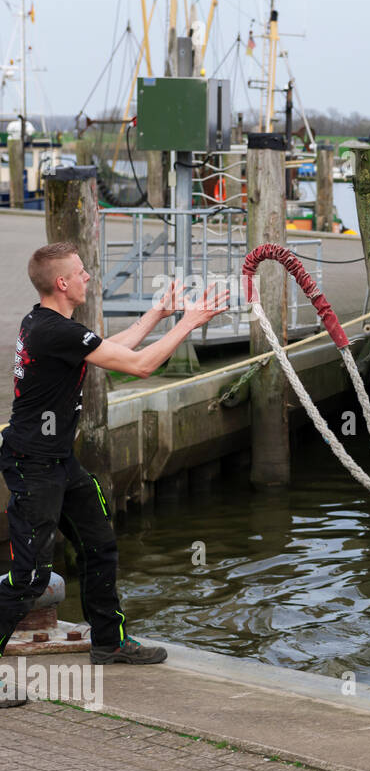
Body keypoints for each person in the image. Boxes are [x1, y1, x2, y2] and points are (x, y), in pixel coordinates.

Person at [0, 242, 228, 707]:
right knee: (28, 577)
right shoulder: (51, 330)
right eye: (82, 272)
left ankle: (108, 641)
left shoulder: (51, 325)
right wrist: (189, 323)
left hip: (59, 460)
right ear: (62, 283)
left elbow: (111, 350)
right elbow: (141, 367)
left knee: (99, 544)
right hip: (33, 465)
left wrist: (157, 316)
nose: (89, 278)